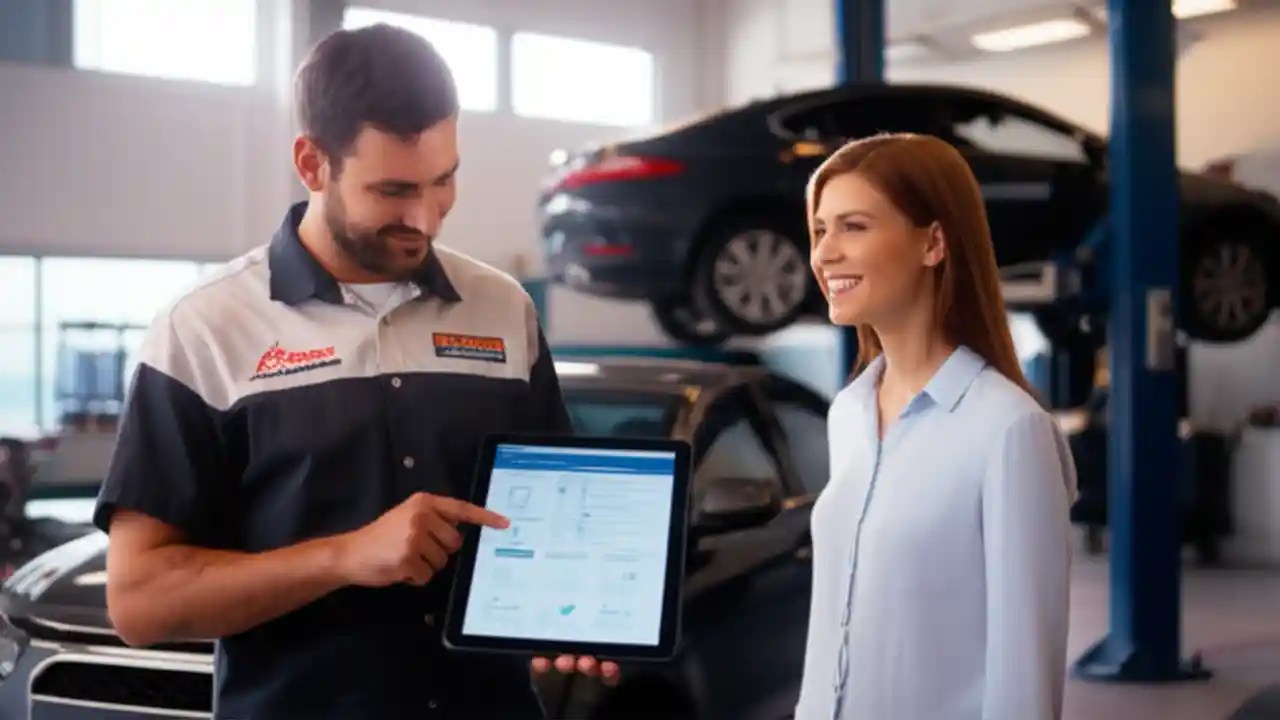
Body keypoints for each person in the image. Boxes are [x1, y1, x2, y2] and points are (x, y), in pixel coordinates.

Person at [95, 24, 615, 720]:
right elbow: (139, 603)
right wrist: (345, 557)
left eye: (443, 180)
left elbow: (556, 520)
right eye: (393, 190)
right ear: (312, 164)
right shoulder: (204, 330)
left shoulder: (504, 310)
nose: (425, 218)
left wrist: (581, 607)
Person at [794, 133, 1077, 720]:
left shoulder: (1008, 430)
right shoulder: (848, 414)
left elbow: (1024, 683)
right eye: (820, 230)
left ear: (933, 242)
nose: (824, 254)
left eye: (853, 226)